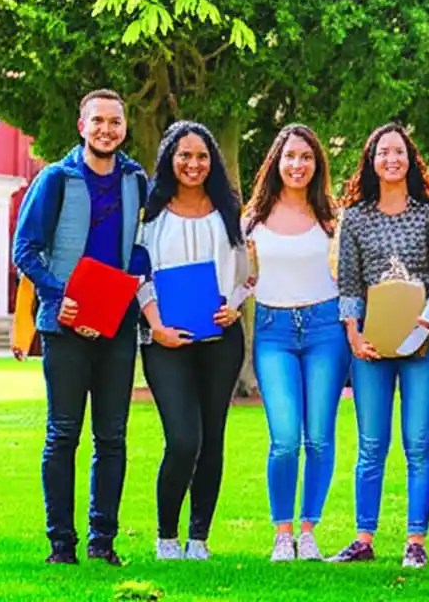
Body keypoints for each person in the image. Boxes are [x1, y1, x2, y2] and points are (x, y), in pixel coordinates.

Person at [11, 89, 148, 566]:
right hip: (64, 326)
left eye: (115, 122)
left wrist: (137, 277)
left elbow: (141, 247)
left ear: (124, 128)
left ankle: (102, 542)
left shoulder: (137, 181)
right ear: (81, 125)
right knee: (63, 434)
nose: (106, 129)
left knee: (112, 438)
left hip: (116, 326)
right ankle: (61, 545)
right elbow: (24, 250)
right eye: (98, 121)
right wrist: (57, 294)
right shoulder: (55, 179)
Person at [329, 123, 429, 568]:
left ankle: (416, 543)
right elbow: (347, 284)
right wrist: (355, 335)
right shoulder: (357, 217)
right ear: (371, 160)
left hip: (423, 342)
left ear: (410, 158)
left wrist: (421, 328)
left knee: (418, 442)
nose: (391, 159)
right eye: (382, 152)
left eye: (398, 152)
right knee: (370, 444)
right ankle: (364, 539)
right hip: (370, 345)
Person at [137, 121, 251, 561]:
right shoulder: (149, 213)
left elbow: (245, 273)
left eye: (202, 156)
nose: (193, 164)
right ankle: (167, 536)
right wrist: (156, 322)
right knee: (184, 439)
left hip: (220, 339)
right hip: (163, 339)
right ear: (170, 157)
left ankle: (198, 538)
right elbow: (136, 273)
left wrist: (235, 304)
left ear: (212, 162)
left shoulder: (228, 211)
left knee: (213, 438)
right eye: (184, 155)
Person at [244, 124, 350, 562]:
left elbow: (348, 277)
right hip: (274, 332)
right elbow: (239, 278)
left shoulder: (333, 218)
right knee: (285, 437)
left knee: (320, 439)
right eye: (290, 156)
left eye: (306, 157)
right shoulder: (251, 219)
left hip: (326, 329)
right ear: (276, 161)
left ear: (317, 165)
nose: (297, 165)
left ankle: (308, 531)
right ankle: (281, 535)